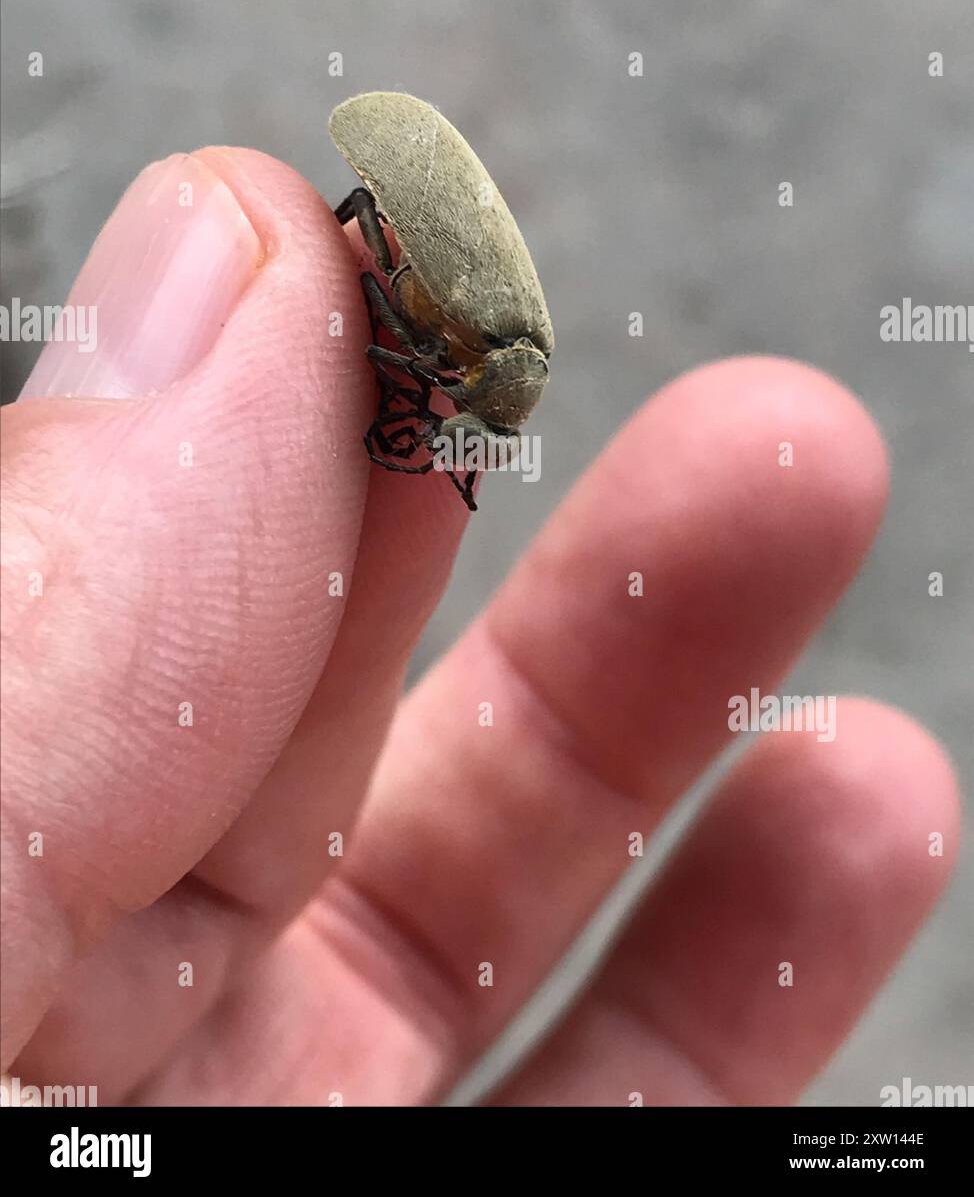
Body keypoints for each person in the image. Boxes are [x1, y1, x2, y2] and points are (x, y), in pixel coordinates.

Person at [1, 148, 958, 1105]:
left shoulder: (480, 357)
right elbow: (402, 356)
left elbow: (405, 360)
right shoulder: (480, 343)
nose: (457, 424)